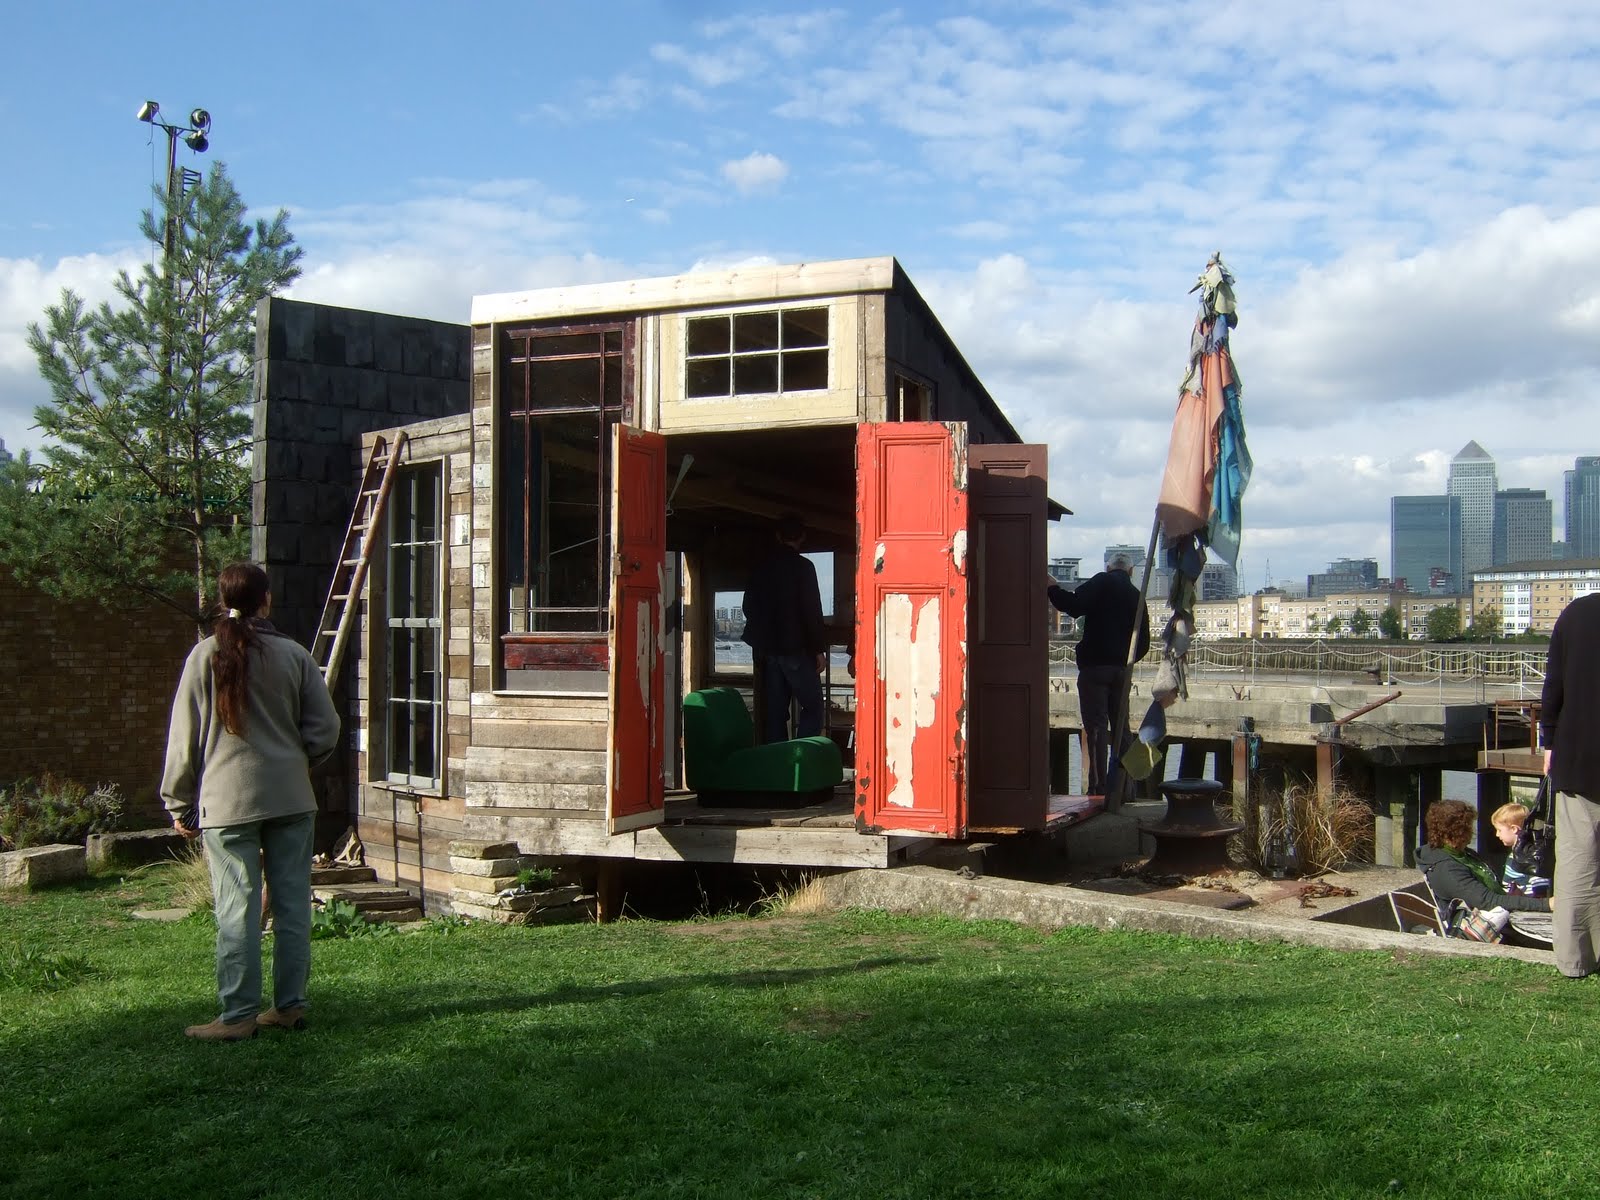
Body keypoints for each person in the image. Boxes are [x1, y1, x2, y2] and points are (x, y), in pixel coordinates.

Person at [162, 562, 341, 1040]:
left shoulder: (204, 656)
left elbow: (184, 737)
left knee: (236, 910)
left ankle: (238, 1015)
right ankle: (290, 1008)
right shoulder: (294, 655)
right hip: (291, 798)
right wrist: (293, 762)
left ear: (223, 601)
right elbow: (326, 730)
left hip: (227, 802)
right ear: (266, 600)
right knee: (292, 908)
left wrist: (178, 802)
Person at [1046, 554, 1151, 796]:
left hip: (1095, 669)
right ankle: (1126, 790)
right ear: (1131, 572)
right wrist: (1126, 660)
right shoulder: (1137, 596)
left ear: (1108, 567)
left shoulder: (1102, 581)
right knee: (1122, 730)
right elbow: (1143, 642)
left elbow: (1074, 606)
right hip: (1121, 671)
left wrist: (1052, 588)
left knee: (1096, 729)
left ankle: (1099, 789)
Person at [1542, 591, 1600, 978]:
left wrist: (1548, 740)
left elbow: (1554, 687)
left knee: (1578, 859)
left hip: (1579, 755)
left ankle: (1575, 959)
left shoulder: (1577, 613)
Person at [741, 513, 828, 743]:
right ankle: (801, 759)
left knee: (776, 714)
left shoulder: (761, 568)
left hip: (769, 651)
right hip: (796, 649)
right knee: (813, 707)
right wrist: (819, 648)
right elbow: (811, 610)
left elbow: (748, 605)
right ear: (802, 537)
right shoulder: (804, 568)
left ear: (778, 536)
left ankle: (778, 767)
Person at [1417, 800, 1550, 940]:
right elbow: (1489, 901)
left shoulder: (1462, 854)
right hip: (1489, 927)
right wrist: (1546, 904)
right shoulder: (1448, 869)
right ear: (1459, 831)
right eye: (1469, 826)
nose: (1473, 831)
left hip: (1501, 915)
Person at [1490, 801, 1550, 897]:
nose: (1497, 834)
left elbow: (1540, 889)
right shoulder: (1513, 855)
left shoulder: (1527, 857)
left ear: (1514, 829)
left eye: (1499, 830)